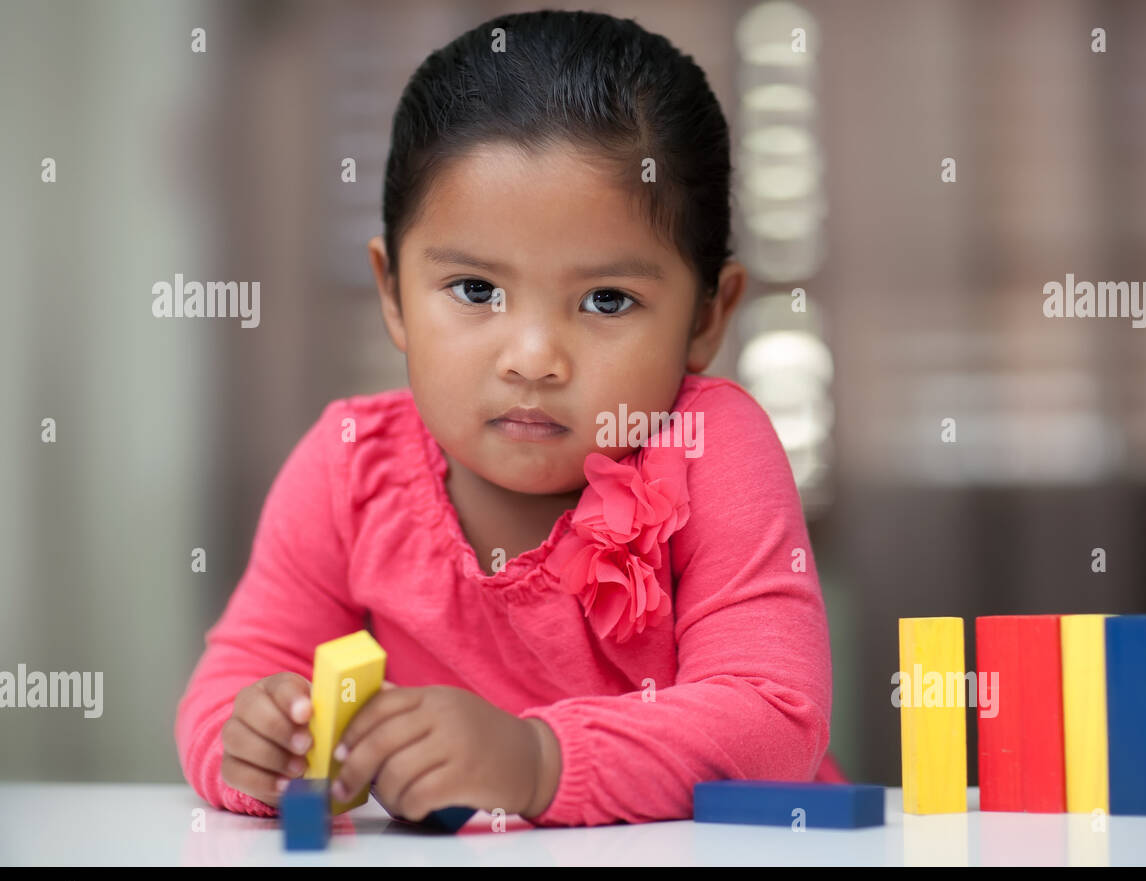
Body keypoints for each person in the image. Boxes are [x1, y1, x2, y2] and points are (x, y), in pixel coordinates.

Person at [175, 8, 846, 828]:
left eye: (607, 300)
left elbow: (774, 718)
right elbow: (242, 674)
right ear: (392, 292)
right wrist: (253, 746)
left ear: (709, 315)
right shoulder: (349, 467)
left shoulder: (713, 451)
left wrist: (539, 761)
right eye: (475, 290)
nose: (532, 358)